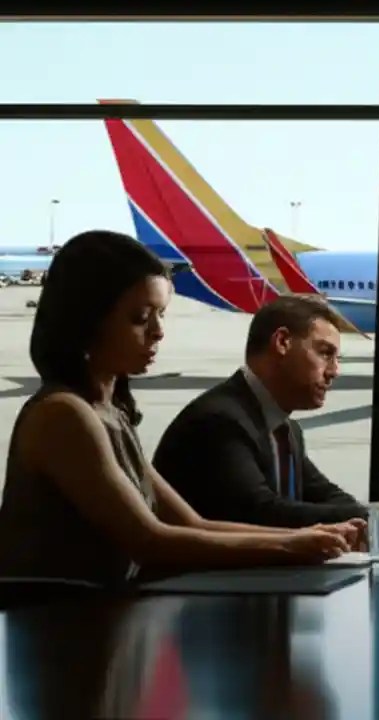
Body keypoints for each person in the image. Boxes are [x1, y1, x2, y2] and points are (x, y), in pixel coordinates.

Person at [0, 231, 351, 588]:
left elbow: (193, 524)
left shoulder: (110, 413)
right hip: (58, 628)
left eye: (161, 315)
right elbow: (149, 540)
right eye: (140, 317)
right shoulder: (64, 415)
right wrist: (291, 544)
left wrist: (312, 534)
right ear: (88, 320)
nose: (158, 332)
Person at [153, 295, 379, 528]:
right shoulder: (219, 422)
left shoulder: (284, 427)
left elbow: (324, 495)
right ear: (282, 343)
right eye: (325, 353)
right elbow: (263, 514)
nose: (335, 371)